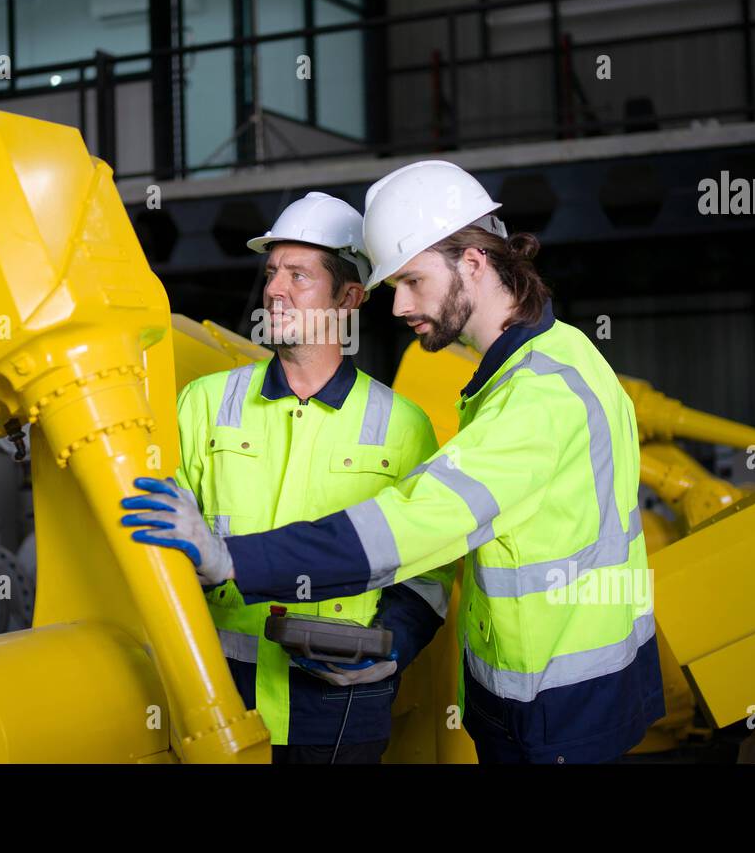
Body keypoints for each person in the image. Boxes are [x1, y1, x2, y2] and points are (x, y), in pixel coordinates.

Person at [124, 163, 664, 764]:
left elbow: (415, 526)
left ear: (473, 263)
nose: (399, 305)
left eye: (411, 280)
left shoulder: (534, 396)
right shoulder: (549, 361)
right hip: (547, 693)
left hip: (554, 705)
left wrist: (233, 558)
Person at [125, 191, 449, 764]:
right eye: (272, 272)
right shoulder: (203, 404)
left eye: (298, 276)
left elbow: (431, 572)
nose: (274, 289)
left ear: (349, 296)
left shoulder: (403, 425)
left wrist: (392, 646)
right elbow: (159, 539)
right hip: (219, 697)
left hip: (340, 706)